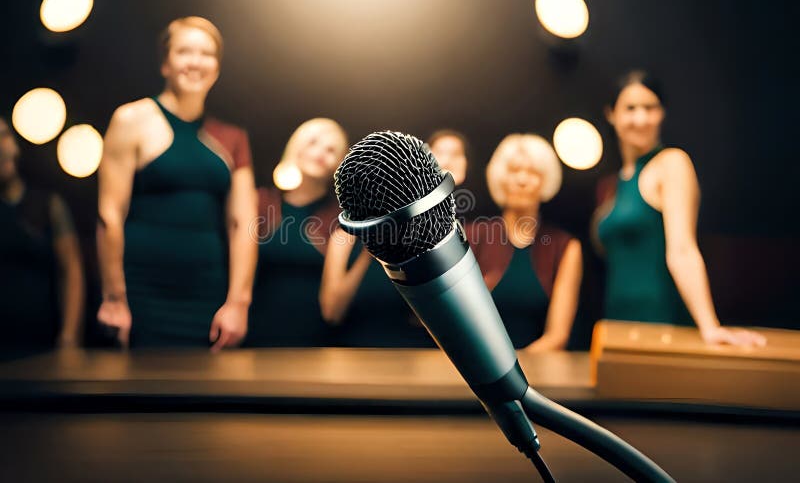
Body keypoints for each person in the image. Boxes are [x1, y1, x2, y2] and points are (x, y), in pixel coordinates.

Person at [96, 17, 257, 350]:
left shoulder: (232, 138)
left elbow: (244, 224)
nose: (196, 62)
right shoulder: (131, 119)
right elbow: (109, 214)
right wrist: (113, 298)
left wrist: (238, 304)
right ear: (165, 63)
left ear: (217, 67)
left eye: (207, 53)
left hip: (208, 297)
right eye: (185, 51)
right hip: (140, 293)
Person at [594, 70, 766, 346]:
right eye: (630, 108)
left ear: (662, 113)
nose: (640, 118)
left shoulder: (671, 163)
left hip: (660, 319)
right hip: (615, 321)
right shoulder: (612, 185)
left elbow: (682, 250)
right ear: (611, 114)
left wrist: (710, 327)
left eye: (650, 107)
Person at [317, 130, 470, 347]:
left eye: (456, 153)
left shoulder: (455, 234)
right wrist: (372, 249)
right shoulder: (345, 237)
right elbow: (332, 312)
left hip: (419, 355)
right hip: (354, 351)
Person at [470, 134, 582, 350]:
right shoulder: (472, 237)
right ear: (500, 178)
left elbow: (557, 336)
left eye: (533, 172)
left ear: (546, 181)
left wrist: (514, 374)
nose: (522, 180)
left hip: (534, 372)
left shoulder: (565, 246)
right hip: (472, 369)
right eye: (513, 170)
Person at [247, 118, 347, 347]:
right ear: (296, 147)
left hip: (318, 337)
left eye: (331, 150)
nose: (321, 153)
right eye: (313, 143)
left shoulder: (341, 217)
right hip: (258, 331)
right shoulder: (261, 201)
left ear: (338, 163)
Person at [0, 117, 84, 350]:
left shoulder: (47, 204)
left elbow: (72, 270)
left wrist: (69, 336)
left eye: (4, 135)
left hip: (41, 339)